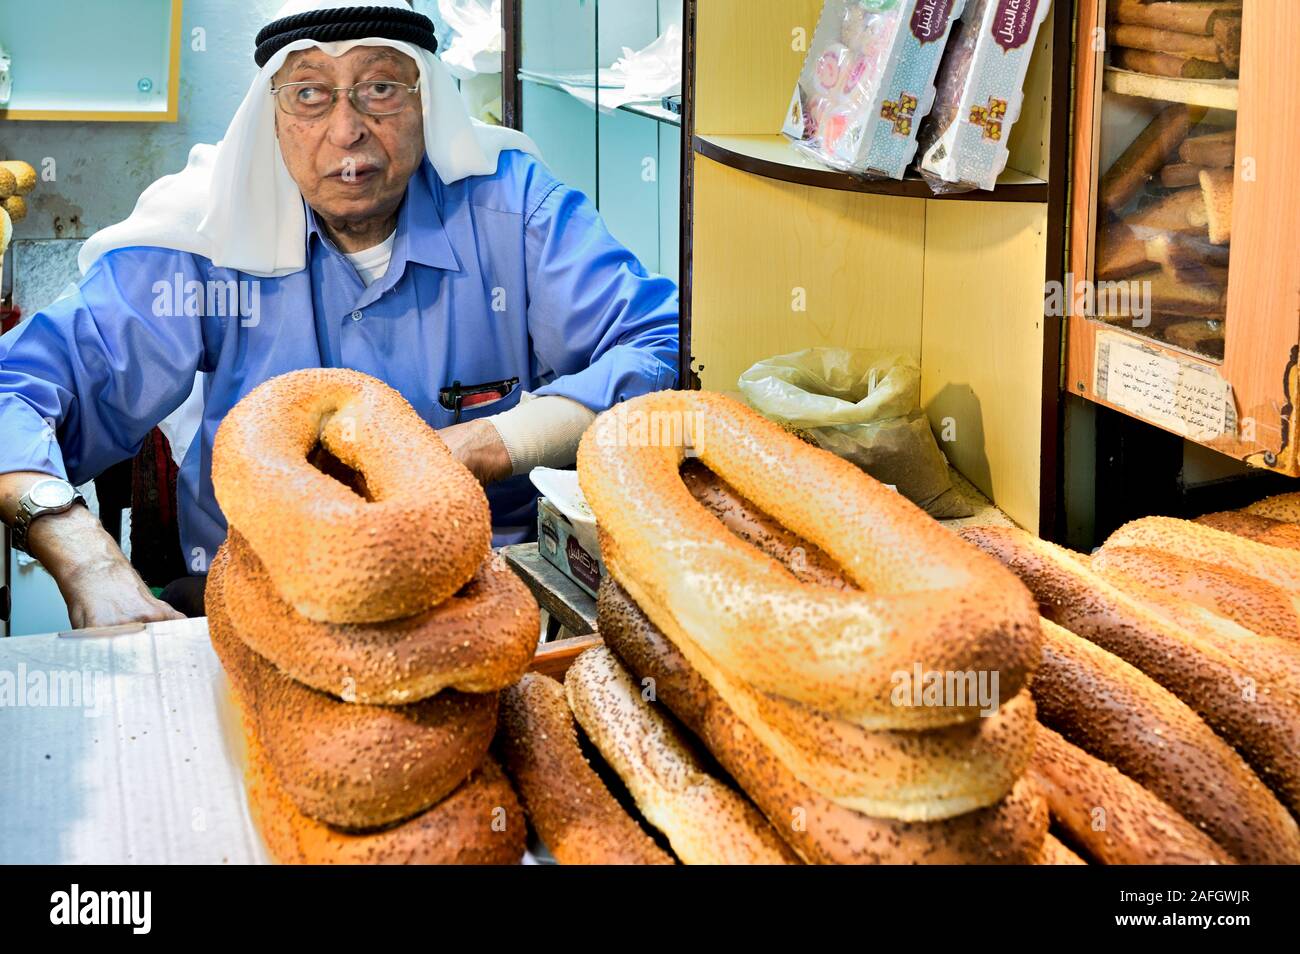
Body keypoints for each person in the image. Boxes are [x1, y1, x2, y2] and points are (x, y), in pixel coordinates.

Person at [0, 0, 678, 629]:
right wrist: (86, 557)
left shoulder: (512, 212)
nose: (346, 128)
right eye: (309, 93)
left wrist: (485, 445)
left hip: (482, 601)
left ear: (426, 101)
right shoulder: (208, 235)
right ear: (271, 111)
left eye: (380, 87)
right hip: (259, 602)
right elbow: (17, 389)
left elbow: (662, 345)